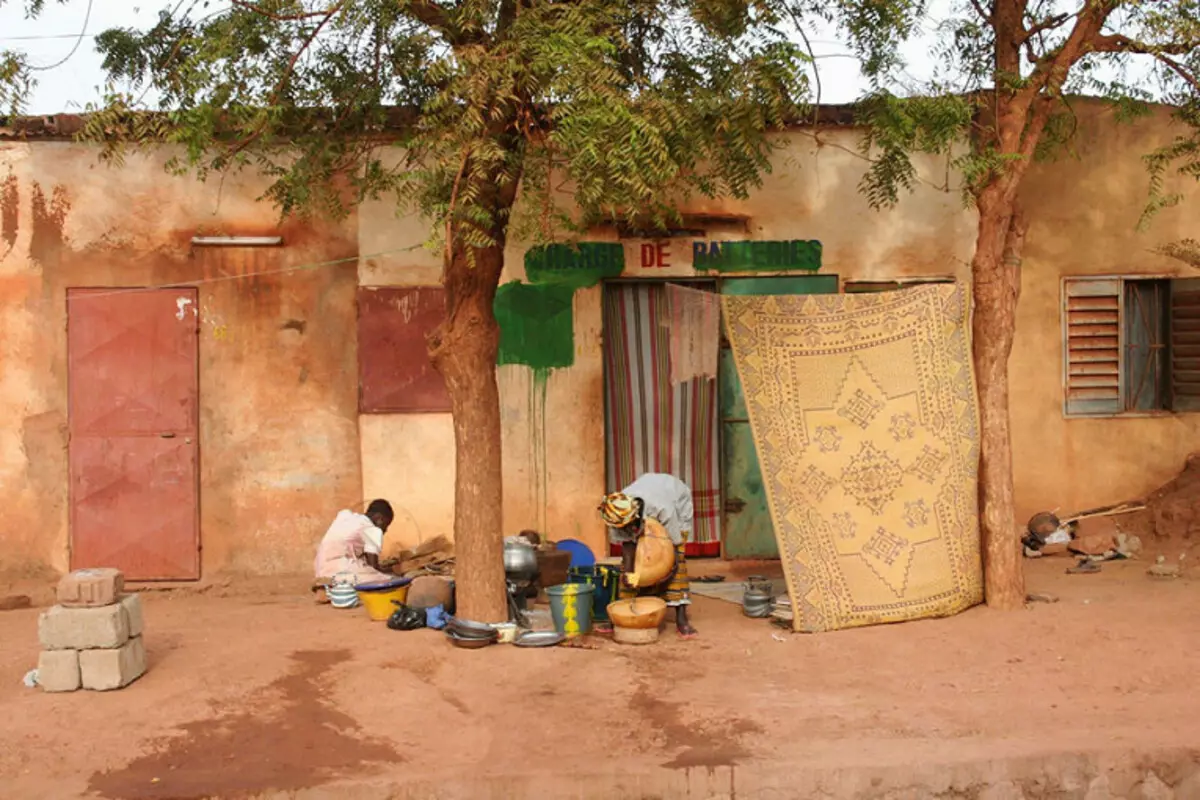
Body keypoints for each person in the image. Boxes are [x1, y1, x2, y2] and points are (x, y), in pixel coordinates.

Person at [599, 473, 698, 638]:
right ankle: (619, 615)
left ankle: (682, 619)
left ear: (635, 516)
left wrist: (665, 574)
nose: (626, 530)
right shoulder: (616, 512)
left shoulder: (662, 508)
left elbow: (674, 546)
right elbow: (628, 546)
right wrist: (630, 575)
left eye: (629, 526)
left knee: (678, 559)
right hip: (650, 498)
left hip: (676, 502)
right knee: (630, 568)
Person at [312, 500, 395, 602]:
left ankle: (328, 586)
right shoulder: (373, 530)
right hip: (339, 567)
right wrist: (386, 572)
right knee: (383, 580)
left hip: (320, 567)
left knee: (362, 568)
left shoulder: (346, 516)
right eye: (386, 525)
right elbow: (373, 566)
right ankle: (331, 589)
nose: (385, 530)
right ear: (380, 519)